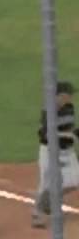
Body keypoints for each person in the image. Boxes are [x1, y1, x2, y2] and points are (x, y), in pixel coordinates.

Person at [32, 80, 78, 228]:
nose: (70, 98)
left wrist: (74, 134)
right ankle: (37, 214)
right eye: (67, 95)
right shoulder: (48, 110)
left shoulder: (70, 108)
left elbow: (71, 130)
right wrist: (67, 135)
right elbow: (45, 134)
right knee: (45, 182)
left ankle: (50, 199)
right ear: (58, 96)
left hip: (67, 151)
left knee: (75, 180)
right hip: (49, 151)